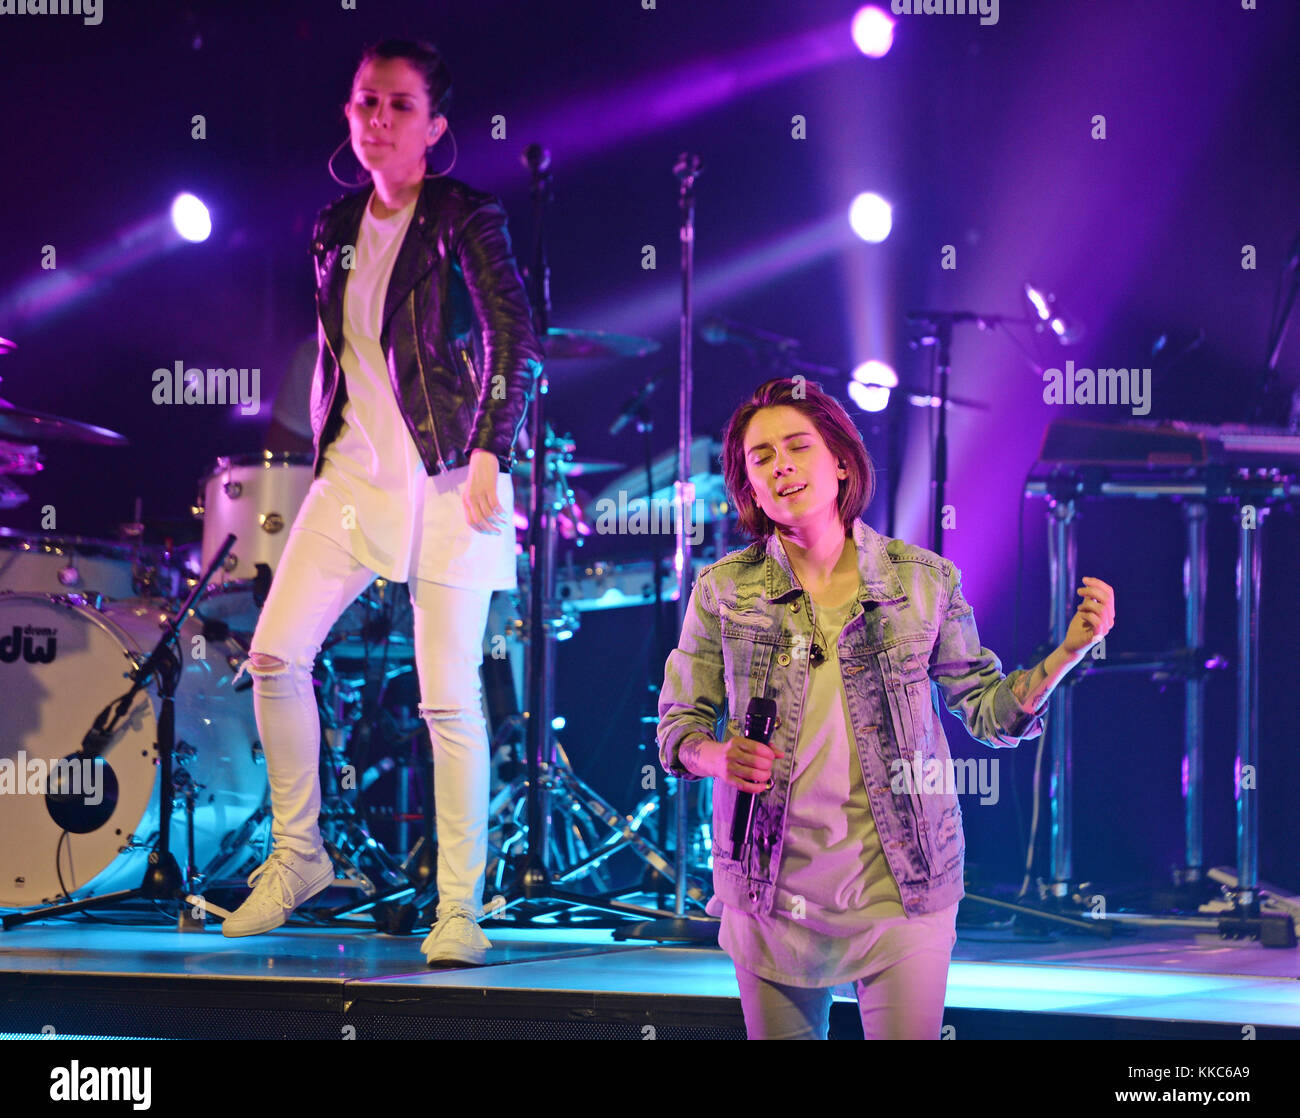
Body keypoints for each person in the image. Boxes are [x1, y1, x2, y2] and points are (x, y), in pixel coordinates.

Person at [656, 377, 1116, 1038]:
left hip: (903, 887)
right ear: (747, 485)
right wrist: (716, 755)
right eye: (761, 458)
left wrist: (1067, 653)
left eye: (797, 446)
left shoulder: (922, 582)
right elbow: (678, 728)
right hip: (768, 890)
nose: (781, 465)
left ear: (841, 460)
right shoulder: (724, 590)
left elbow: (987, 710)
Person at [221, 38, 543, 970]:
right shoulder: (331, 227)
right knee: (274, 655)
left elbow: (516, 334)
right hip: (352, 475)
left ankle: (458, 909)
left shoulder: (464, 216)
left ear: (435, 127)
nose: (378, 119)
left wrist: (491, 443)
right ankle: (299, 855)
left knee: (450, 702)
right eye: (366, 101)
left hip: (450, 472)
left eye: (400, 105)